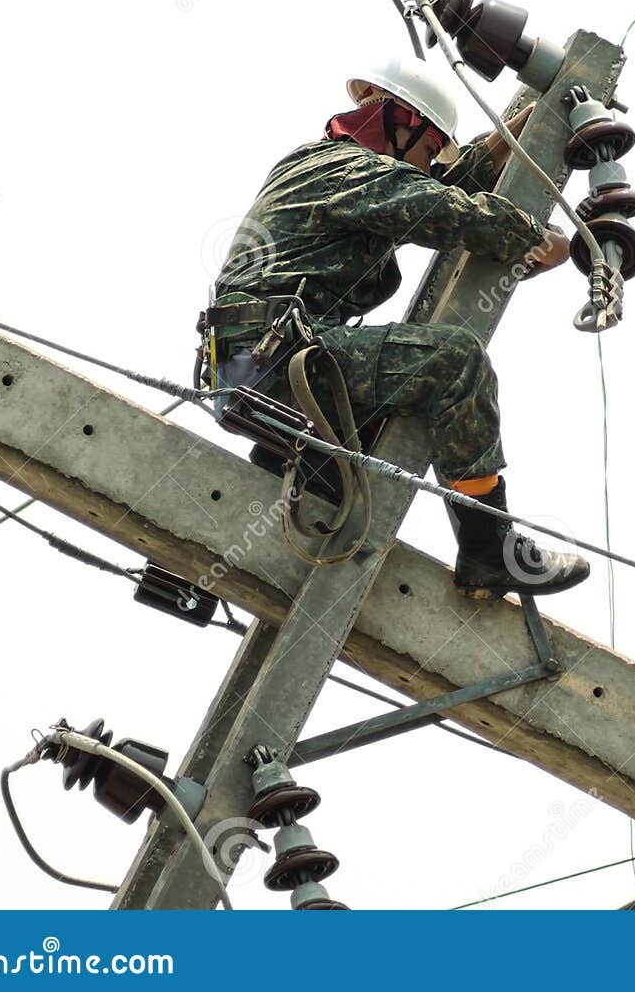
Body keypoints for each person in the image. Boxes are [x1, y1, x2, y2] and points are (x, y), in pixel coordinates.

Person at [202, 55, 589, 598]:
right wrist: (551, 242)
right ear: (400, 126)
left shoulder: (333, 166)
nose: (430, 164)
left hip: (258, 364)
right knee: (453, 361)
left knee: (360, 456)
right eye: (429, 150)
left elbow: (436, 185)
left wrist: (513, 136)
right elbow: (448, 210)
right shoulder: (349, 171)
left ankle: (305, 473)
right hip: (277, 362)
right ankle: (488, 547)